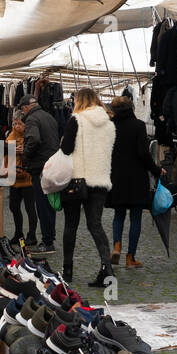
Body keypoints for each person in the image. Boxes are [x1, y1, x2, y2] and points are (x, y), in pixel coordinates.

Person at [58, 88, 116, 286]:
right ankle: (107, 270)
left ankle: (67, 272)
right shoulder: (109, 124)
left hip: (77, 179)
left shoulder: (77, 120)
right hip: (99, 180)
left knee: (71, 225)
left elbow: (66, 149)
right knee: (96, 225)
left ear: (79, 101)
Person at [107, 94, 162, 268]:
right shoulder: (138, 126)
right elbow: (143, 153)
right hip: (136, 177)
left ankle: (116, 245)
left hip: (116, 176)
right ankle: (130, 257)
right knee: (136, 218)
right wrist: (156, 170)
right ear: (131, 108)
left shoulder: (110, 127)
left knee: (119, 215)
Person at [17, 94, 60, 253]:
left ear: (26, 107)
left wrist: (26, 156)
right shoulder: (49, 117)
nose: (23, 113)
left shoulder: (32, 119)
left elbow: (33, 139)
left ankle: (48, 242)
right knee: (49, 204)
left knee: (43, 205)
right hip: (52, 165)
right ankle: (49, 239)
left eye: (22, 110)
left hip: (40, 167)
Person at [7, 114, 37, 243]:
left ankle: (32, 235)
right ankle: (18, 233)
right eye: (15, 124)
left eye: (19, 124)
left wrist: (24, 151)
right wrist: (13, 150)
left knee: (30, 208)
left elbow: (35, 150)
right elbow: (4, 148)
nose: (16, 126)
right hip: (14, 178)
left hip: (27, 178)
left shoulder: (30, 136)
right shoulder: (11, 136)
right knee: (14, 207)